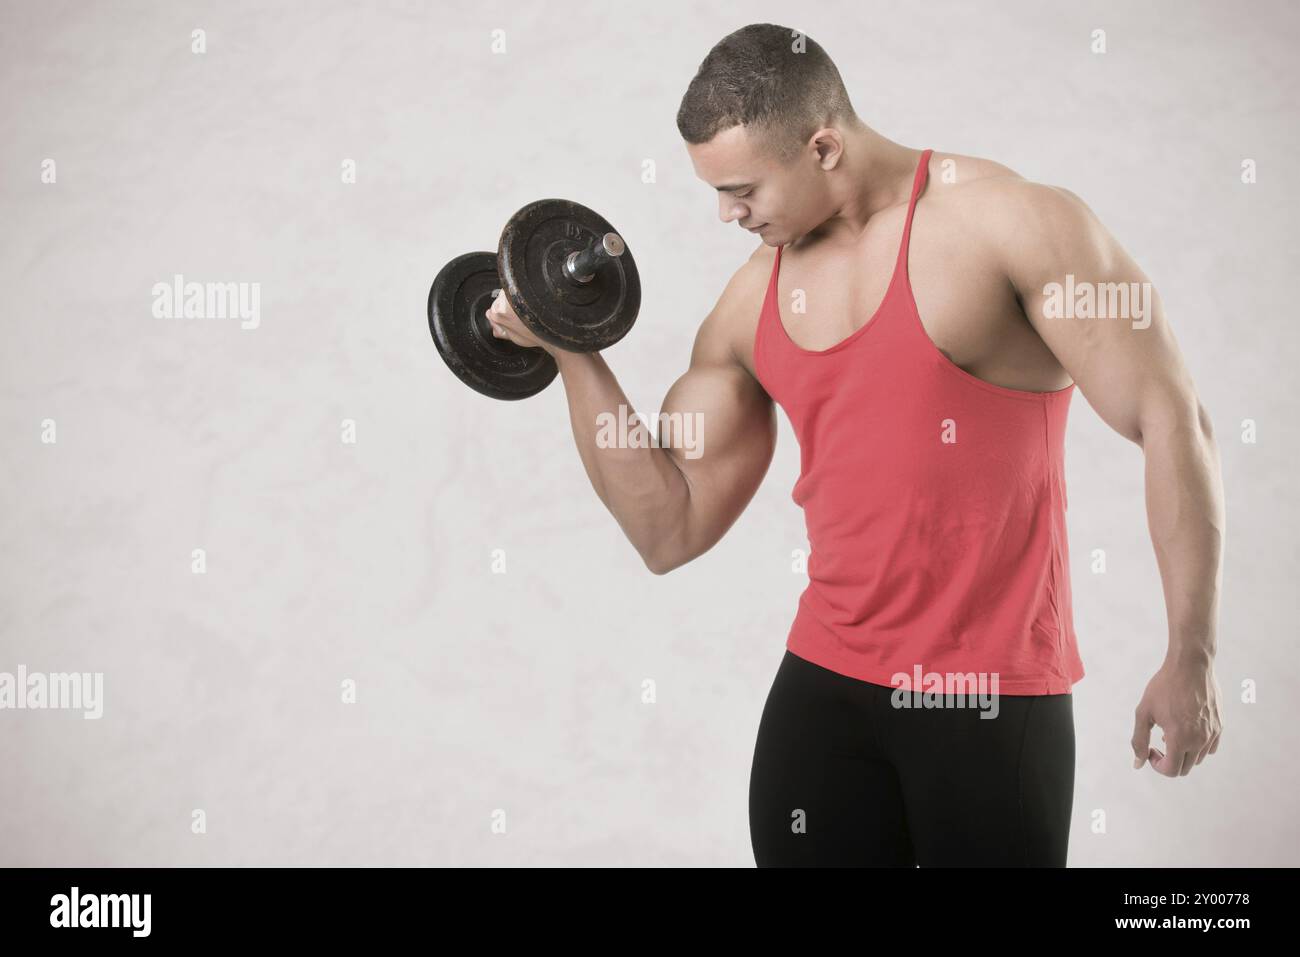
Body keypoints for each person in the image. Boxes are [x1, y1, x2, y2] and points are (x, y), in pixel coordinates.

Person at [483, 22, 1225, 866]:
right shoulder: (750, 302)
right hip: (825, 696)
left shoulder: (1013, 224)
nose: (726, 215)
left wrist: (1190, 653)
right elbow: (669, 526)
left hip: (985, 701)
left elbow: (1173, 417)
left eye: (741, 189)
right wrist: (572, 347)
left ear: (824, 146)